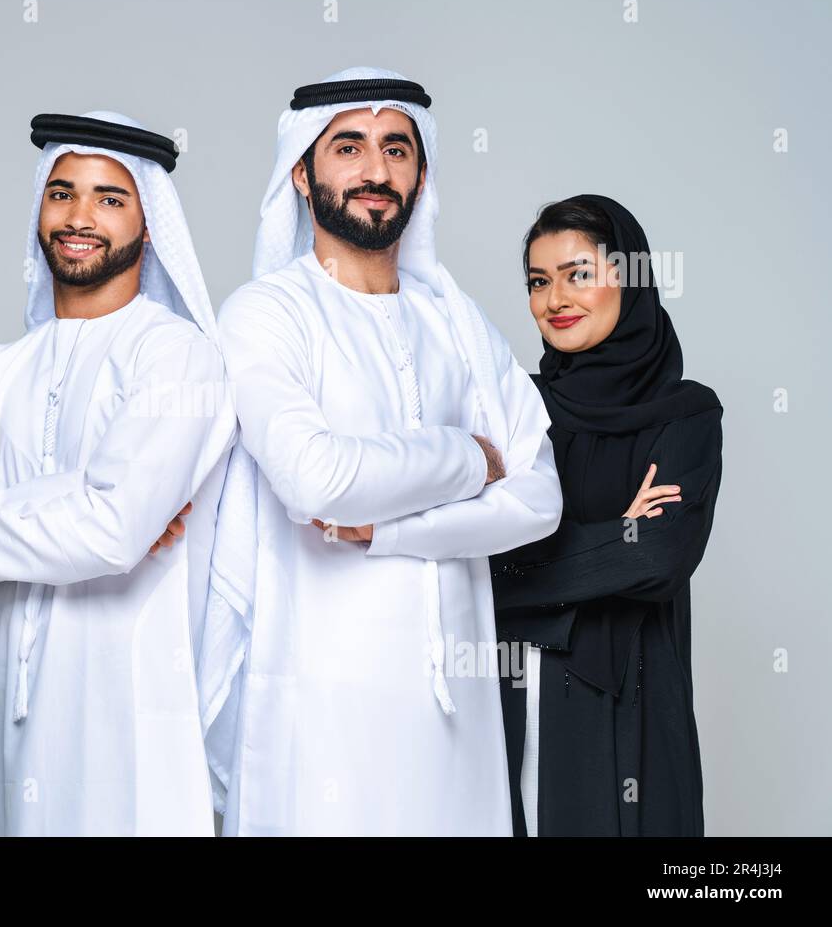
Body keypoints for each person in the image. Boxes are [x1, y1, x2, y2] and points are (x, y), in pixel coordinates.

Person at [198, 68, 563, 835]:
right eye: (349, 147)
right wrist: (471, 457)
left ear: (420, 173)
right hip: (318, 711)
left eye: (397, 149)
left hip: (455, 719)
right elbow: (319, 479)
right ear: (302, 173)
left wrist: (394, 528)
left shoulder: (458, 324)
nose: (375, 170)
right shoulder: (266, 314)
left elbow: (540, 499)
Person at [0, 113, 236, 836]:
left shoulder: (177, 356)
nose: (80, 216)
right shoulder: (2, 371)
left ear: (148, 225)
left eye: (109, 198)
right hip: (9, 714)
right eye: (62, 193)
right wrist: (85, 507)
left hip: (128, 716)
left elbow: (111, 530)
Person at [491, 194, 723, 836]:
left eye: (578, 274)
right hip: (503, 699)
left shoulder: (687, 414)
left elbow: (657, 557)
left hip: (633, 701)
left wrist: (527, 563)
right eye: (539, 281)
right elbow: (474, 563)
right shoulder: (515, 409)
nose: (554, 299)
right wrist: (614, 536)